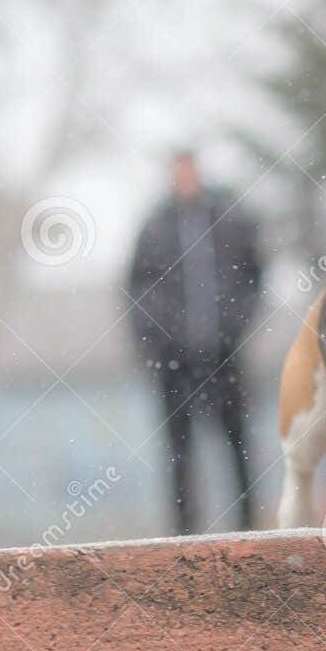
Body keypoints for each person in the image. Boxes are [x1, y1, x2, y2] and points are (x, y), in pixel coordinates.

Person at [126, 150, 262, 534]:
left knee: (238, 442)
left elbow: (253, 275)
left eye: (189, 172)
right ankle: (184, 534)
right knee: (179, 451)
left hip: (224, 355)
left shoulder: (229, 220)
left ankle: (249, 528)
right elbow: (138, 290)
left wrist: (233, 326)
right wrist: (158, 339)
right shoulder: (154, 227)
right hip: (175, 361)